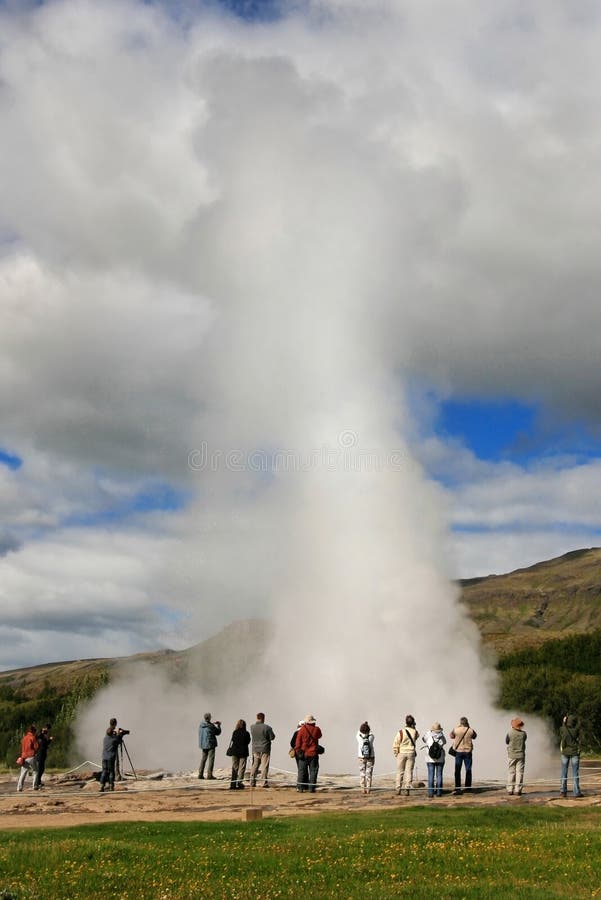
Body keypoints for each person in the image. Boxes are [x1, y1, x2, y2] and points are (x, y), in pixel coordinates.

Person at [449, 716, 477, 795]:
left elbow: (451, 736)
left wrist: (458, 727)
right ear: (467, 722)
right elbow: (475, 736)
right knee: (468, 769)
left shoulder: (456, 730)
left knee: (457, 770)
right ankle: (468, 787)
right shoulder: (470, 730)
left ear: (460, 723)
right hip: (468, 751)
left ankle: (458, 787)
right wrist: (469, 727)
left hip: (458, 751)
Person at [295, 715, 322, 793]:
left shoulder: (302, 730)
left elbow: (298, 742)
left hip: (303, 754)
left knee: (301, 771)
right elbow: (320, 736)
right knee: (313, 771)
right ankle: (311, 788)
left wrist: (298, 751)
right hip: (313, 754)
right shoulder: (317, 729)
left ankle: (300, 787)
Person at [392, 715, 419, 796]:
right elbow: (417, 736)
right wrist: (414, 727)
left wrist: (396, 753)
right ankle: (407, 788)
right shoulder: (415, 732)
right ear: (413, 722)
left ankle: (398, 788)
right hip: (411, 752)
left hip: (402, 752)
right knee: (409, 771)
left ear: (405, 722)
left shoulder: (401, 732)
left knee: (400, 771)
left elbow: (396, 743)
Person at [559, 714, 583, 798]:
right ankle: (576, 792)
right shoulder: (576, 730)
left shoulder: (563, 729)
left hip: (565, 753)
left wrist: (563, 722)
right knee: (575, 773)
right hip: (574, 752)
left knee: (563, 772)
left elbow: (562, 732)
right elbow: (580, 735)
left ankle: (563, 791)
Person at [250, 712, 276, 788]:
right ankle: (264, 783)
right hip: (265, 748)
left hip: (255, 749)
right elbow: (272, 737)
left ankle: (252, 782)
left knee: (255, 765)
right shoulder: (267, 728)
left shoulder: (252, 727)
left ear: (257, 718)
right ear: (263, 718)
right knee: (264, 766)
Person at [421, 722, 446, 798]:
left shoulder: (428, 734)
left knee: (430, 775)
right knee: (439, 775)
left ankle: (431, 793)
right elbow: (445, 742)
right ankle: (439, 792)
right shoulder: (441, 735)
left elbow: (423, 739)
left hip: (430, 758)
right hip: (440, 758)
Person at [99, 725, 127, 792]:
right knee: (111, 772)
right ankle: (111, 786)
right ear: (112, 734)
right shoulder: (114, 740)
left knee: (104, 771)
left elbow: (114, 738)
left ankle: (101, 786)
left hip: (104, 757)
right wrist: (120, 734)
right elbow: (119, 740)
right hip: (110, 758)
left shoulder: (105, 738)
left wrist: (115, 734)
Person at [505, 717, 527, 796]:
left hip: (511, 755)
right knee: (520, 773)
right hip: (521, 755)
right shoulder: (524, 734)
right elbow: (525, 740)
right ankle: (518, 790)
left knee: (511, 772)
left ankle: (510, 789)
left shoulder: (509, 733)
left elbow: (507, 742)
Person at [228, 719, 251, 790]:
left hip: (235, 752)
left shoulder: (235, 732)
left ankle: (233, 784)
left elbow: (233, 741)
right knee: (242, 768)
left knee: (234, 768)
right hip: (243, 752)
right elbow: (248, 741)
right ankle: (239, 783)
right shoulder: (246, 733)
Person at [198, 712, 222, 780]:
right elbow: (218, 732)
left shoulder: (201, 725)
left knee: (203, 759)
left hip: (203, 744)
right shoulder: (210, 726)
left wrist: (212, 724)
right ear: (209, 718)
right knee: (211, 760)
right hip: (210, 744)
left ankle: (200, 774)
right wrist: (219, 725)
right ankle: (209, 775)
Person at [16, 725, 39, 792]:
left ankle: (19, 788)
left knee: (23, 773)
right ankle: (35, 786)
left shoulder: (24, 738)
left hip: (24, 757)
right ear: (34, 731)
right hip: (31, 756)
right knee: (35, 771)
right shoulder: (33, 737)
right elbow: (36, 747)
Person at [33, 723, 53, 791]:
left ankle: (38, 782)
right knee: (39, 769)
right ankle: (36, 784)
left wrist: (49, 739)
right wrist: (49, 739)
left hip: (42, 754)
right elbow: (43, 741)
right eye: (45, 729)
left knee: (42, 769)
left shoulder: (42, 736)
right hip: (40, 754)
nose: (46, 731)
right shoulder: (39, 736)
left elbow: (45, 743)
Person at [357, 721, 375, 795]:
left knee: (362, 773)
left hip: (361, 757)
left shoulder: (358, 736)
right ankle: (368, 789)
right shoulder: (371, 737)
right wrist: (367, 726)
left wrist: (363, 726)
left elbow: (358, 732)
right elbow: (371, 733)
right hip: (370, 757)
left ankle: (362, 789)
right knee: (369, 773)